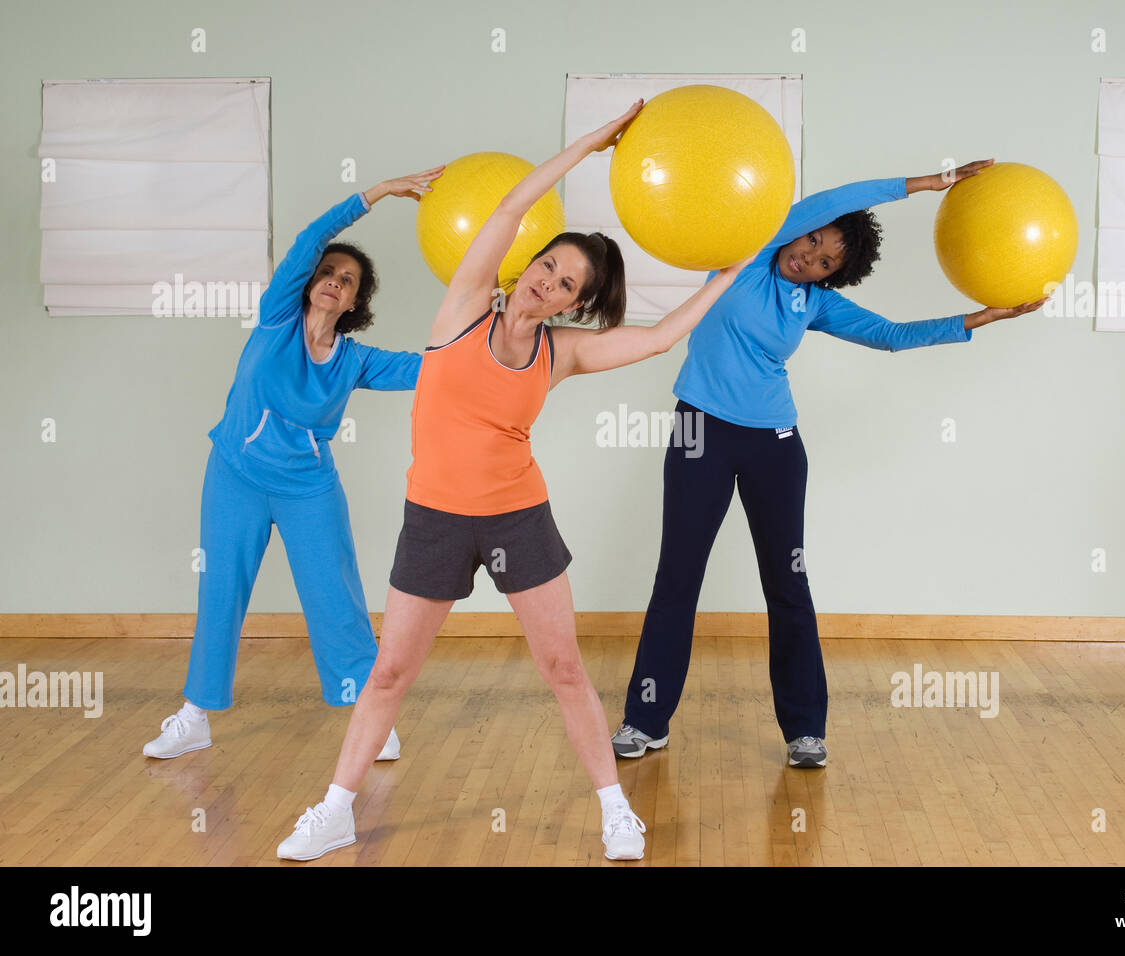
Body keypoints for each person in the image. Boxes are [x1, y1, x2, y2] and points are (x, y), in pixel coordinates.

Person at [275, 100, 754, 863]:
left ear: (575, 305)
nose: (547, 283)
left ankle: (614, 811)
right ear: (527, 263)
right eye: (546, 266)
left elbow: (665, 335)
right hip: (433, 516)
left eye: (566, 285)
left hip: (515, 518)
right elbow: (511, 204)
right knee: (391, 669)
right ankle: (334, 810)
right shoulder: (464, 304)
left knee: (563, 667)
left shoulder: (561, 354)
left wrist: (734, 267)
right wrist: (592, 146)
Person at [612, 159, 1048, 769]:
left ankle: (805, 731)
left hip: (775, 444)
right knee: (678, 576)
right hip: (699, 432)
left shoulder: (811, 305)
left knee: (787, 583)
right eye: (813, 240)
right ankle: (644, 720)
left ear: (830, 279)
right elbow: (833, 199)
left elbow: (893, 336)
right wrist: (926, 184)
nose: (809, 257)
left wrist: (982, 319)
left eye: (825, 262)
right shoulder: (747, 255)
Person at [143, 170, 444, 763]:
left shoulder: (354, 360)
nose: (334, 282)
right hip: (236, 474)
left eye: (348, 280)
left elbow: (427, 370)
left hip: (308, 488)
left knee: (337, 597)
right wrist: (375, 193)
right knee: (221, 589)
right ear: (309, 284)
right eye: (328, 273)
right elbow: (310, 238)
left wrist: (496, 331)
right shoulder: (276, 318)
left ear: (356, 302)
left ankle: (369, 717)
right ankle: (195, 715)